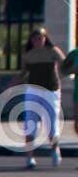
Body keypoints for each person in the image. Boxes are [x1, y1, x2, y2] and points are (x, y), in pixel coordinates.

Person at [18, 27, 67, 169]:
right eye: (34, 39)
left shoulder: (53, 51)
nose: (37, 41)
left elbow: (65, 65)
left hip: (51, 90)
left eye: (40, 38)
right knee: (30, 122)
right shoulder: (28, 55)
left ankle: (55, 150)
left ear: (45, 38)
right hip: (33, 90)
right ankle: (29, 157)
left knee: (51, 122)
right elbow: (24, 71)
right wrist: (15, 82)